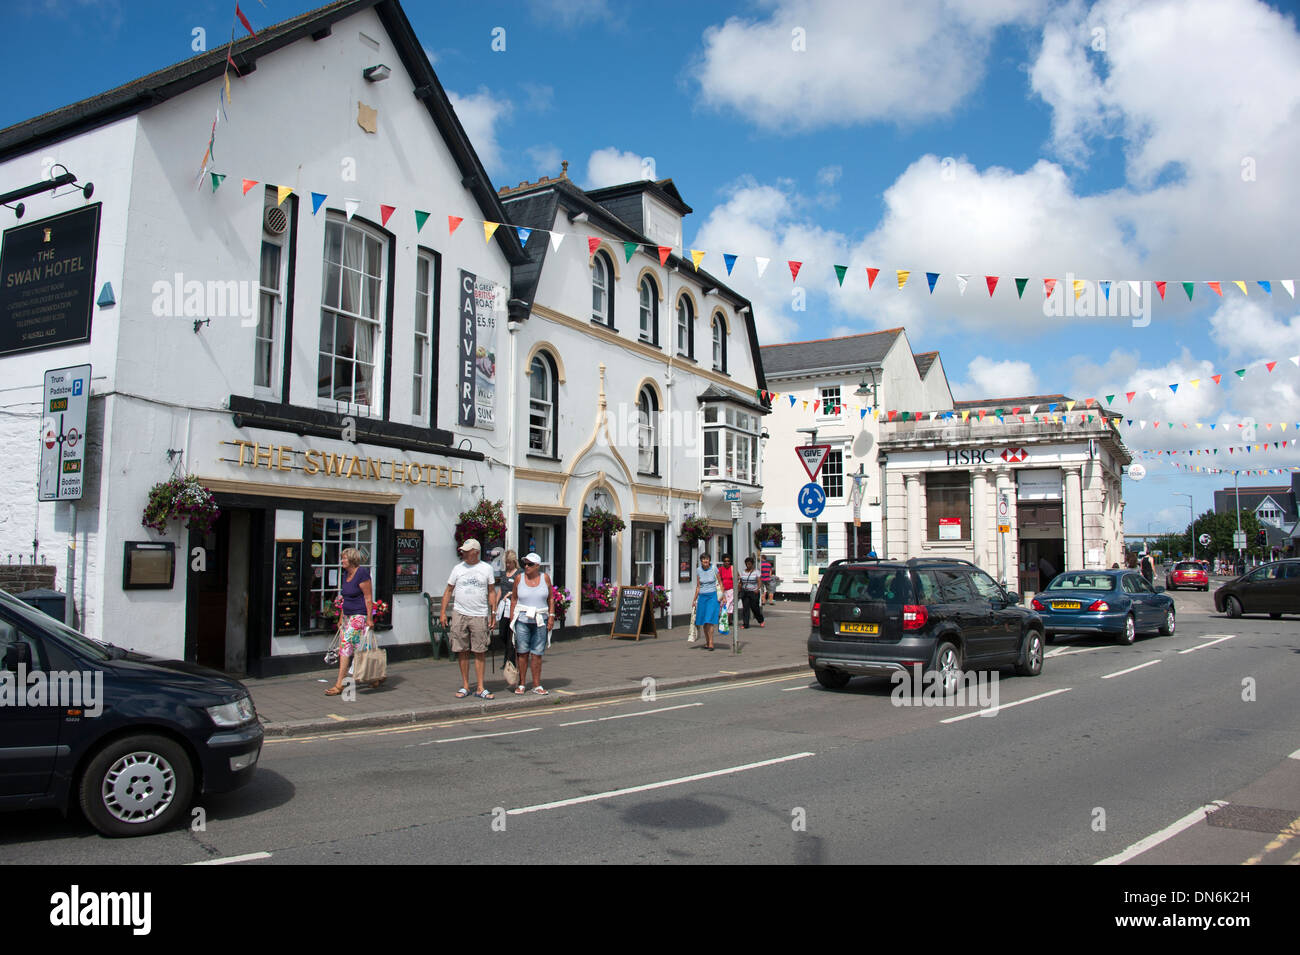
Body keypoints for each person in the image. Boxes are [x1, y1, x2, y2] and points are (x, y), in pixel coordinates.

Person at [440, 539, 497, 700]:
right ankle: (465, 685)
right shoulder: (458, 568)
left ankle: (480, 686)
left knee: (479, 650)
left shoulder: (486, 569)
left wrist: (493, 614)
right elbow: (448, 590)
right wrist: (443, 612)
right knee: (462, 649)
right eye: (463, 551)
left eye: (467, 551)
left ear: (476, 552)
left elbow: (491, 591)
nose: (463, 553)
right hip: (460, 612)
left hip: (479, 613)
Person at [326, 548, 375, 695]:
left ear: (352, 559)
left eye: (344, 558)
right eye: (342, 558)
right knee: (360, 647)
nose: (342, 561)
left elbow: (368, 597)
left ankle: (340, 684)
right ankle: (376, 676)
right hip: (347, 616)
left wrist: (370, 618)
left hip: (359, 616)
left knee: (346, 646)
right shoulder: (346, 574)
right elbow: (345, 598)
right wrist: (341, 617)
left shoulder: (362, 574)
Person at [511, 552, 555, 695]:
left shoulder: (545, 578)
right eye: (525, 563)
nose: (526, 566)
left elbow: (551, 599)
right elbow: (514, 599)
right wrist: (512, 618)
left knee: (537, 653)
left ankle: (536, 684)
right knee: (522, 652)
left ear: (537, 566)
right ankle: (522, 684)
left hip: (540, 619)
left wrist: (551, 616)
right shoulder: (519, 578)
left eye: (530, 564)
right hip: (522, 619)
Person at [496, 549, 520, 671]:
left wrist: (510, 594)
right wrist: (495, 603)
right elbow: (500, 589)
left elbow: (519, 590)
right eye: (507, 562)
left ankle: (509, 660)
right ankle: (509, 654)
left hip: (513, 606)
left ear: (514, 562)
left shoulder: (519, 574)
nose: (508, 565)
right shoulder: (504, 573)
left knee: (510, 634)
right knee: (502, 634)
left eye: (510, 562)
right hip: (503, 605)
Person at [692, 553, 721, 651]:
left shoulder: (714, 569)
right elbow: (698, 586)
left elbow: (720, 583)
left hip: (712, 596)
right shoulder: (698, 570)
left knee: (709, 620)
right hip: (702, 597)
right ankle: (707, 641)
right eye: (703, 559)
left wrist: (723, 596)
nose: (705, 561)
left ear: (709, 560)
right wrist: (694, 599)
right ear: (701, 561)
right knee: (704, 622)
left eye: (707, 559)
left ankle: (711, 642)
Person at [738, 557, 765, 629]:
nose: (748, 565)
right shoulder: (743, 572)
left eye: (750, 564)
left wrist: (757, 588)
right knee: (745, 608)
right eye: (747, 564)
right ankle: (745, 624)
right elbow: (741, 582)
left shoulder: (756, 572)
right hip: (745, 592)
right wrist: (739, 590)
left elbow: (759, 581)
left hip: (754, 592)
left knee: (754, 608)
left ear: (752, 564)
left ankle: (761, 620)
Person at [718, 555, 735, 620]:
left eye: (728, 561)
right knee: (723, 605)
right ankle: (726, 620)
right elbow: (718, 580)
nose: (727, 562)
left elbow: (737, 578)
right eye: (725, 561)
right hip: (723, 590)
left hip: (731, 590)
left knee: (729, 605)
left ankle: (725, 620)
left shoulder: (732, 568)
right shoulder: (720, 569)